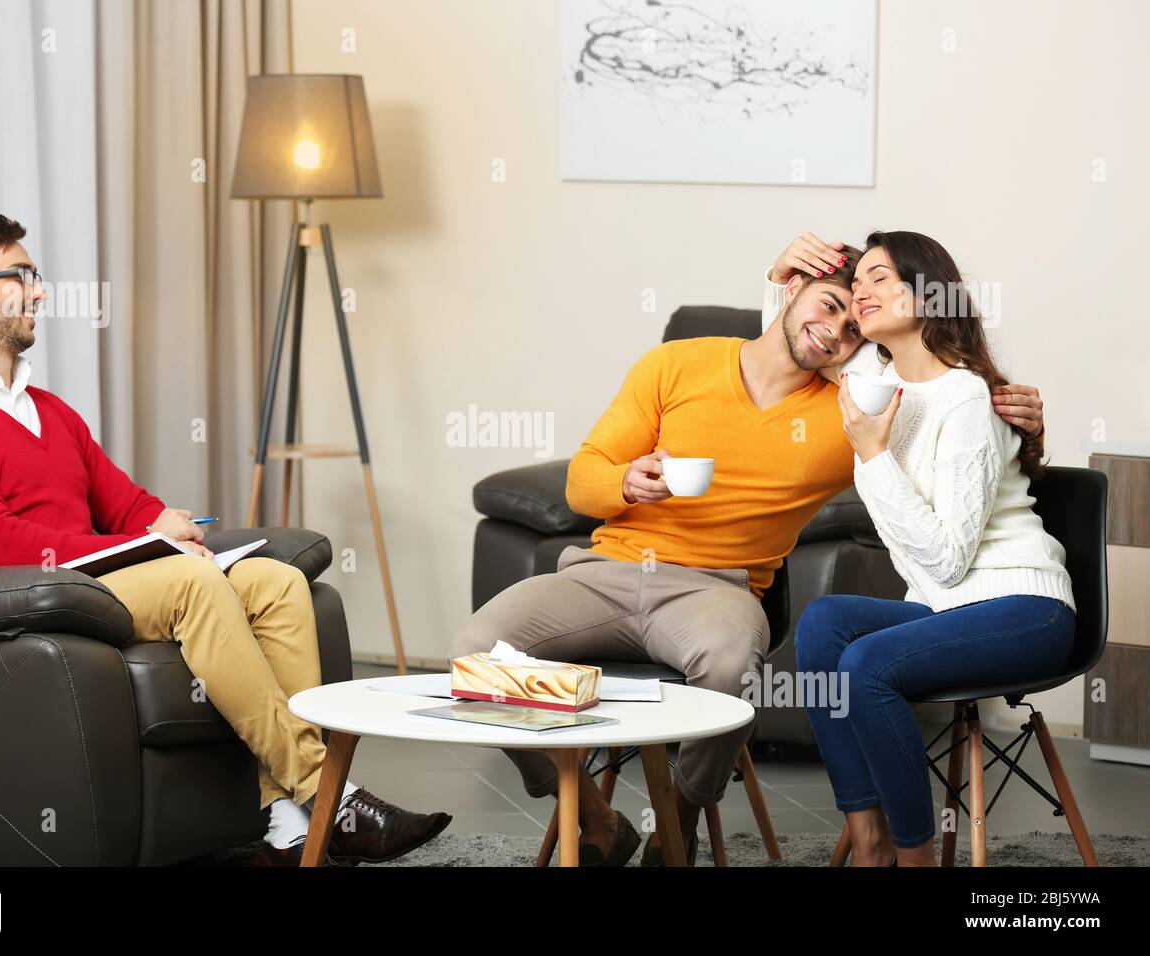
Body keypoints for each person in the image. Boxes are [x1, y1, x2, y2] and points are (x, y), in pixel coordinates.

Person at [451, 234, 1047, 865]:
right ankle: (594, 819)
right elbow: (581, 479)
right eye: (826, 304)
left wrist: (1020, 420)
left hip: (718, 590)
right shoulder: (675, 364)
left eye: (853, 324)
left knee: (731, 663)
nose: (834, 330)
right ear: (789, 292)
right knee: (473, 653)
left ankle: (674, 827)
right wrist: (625, 481)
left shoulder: (852, 409)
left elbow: (947, 430)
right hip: (603, 573)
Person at [0, 213, 451, 867]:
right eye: (21, 275)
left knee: (276, 581)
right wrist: (143, 549)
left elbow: (125, 502)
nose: (39, 291)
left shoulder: (49, 410)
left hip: (92, 582)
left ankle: (290, 829)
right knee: (188, 578)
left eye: (35, 276)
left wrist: (165, 524)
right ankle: (331, 795)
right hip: (18, 600)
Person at [793, 231, 1075, 867]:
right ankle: (871, 841)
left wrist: (871, 454)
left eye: (879, 278)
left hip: (1026, 607)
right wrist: (777, 271)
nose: (861, 292)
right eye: (855, 282)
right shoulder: (877, 380)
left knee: (866, 665)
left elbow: (949, 558)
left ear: (930, 291)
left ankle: (916, 862)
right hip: (947, 610)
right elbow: (794, 342)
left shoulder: (969, 398)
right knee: (823, 626)